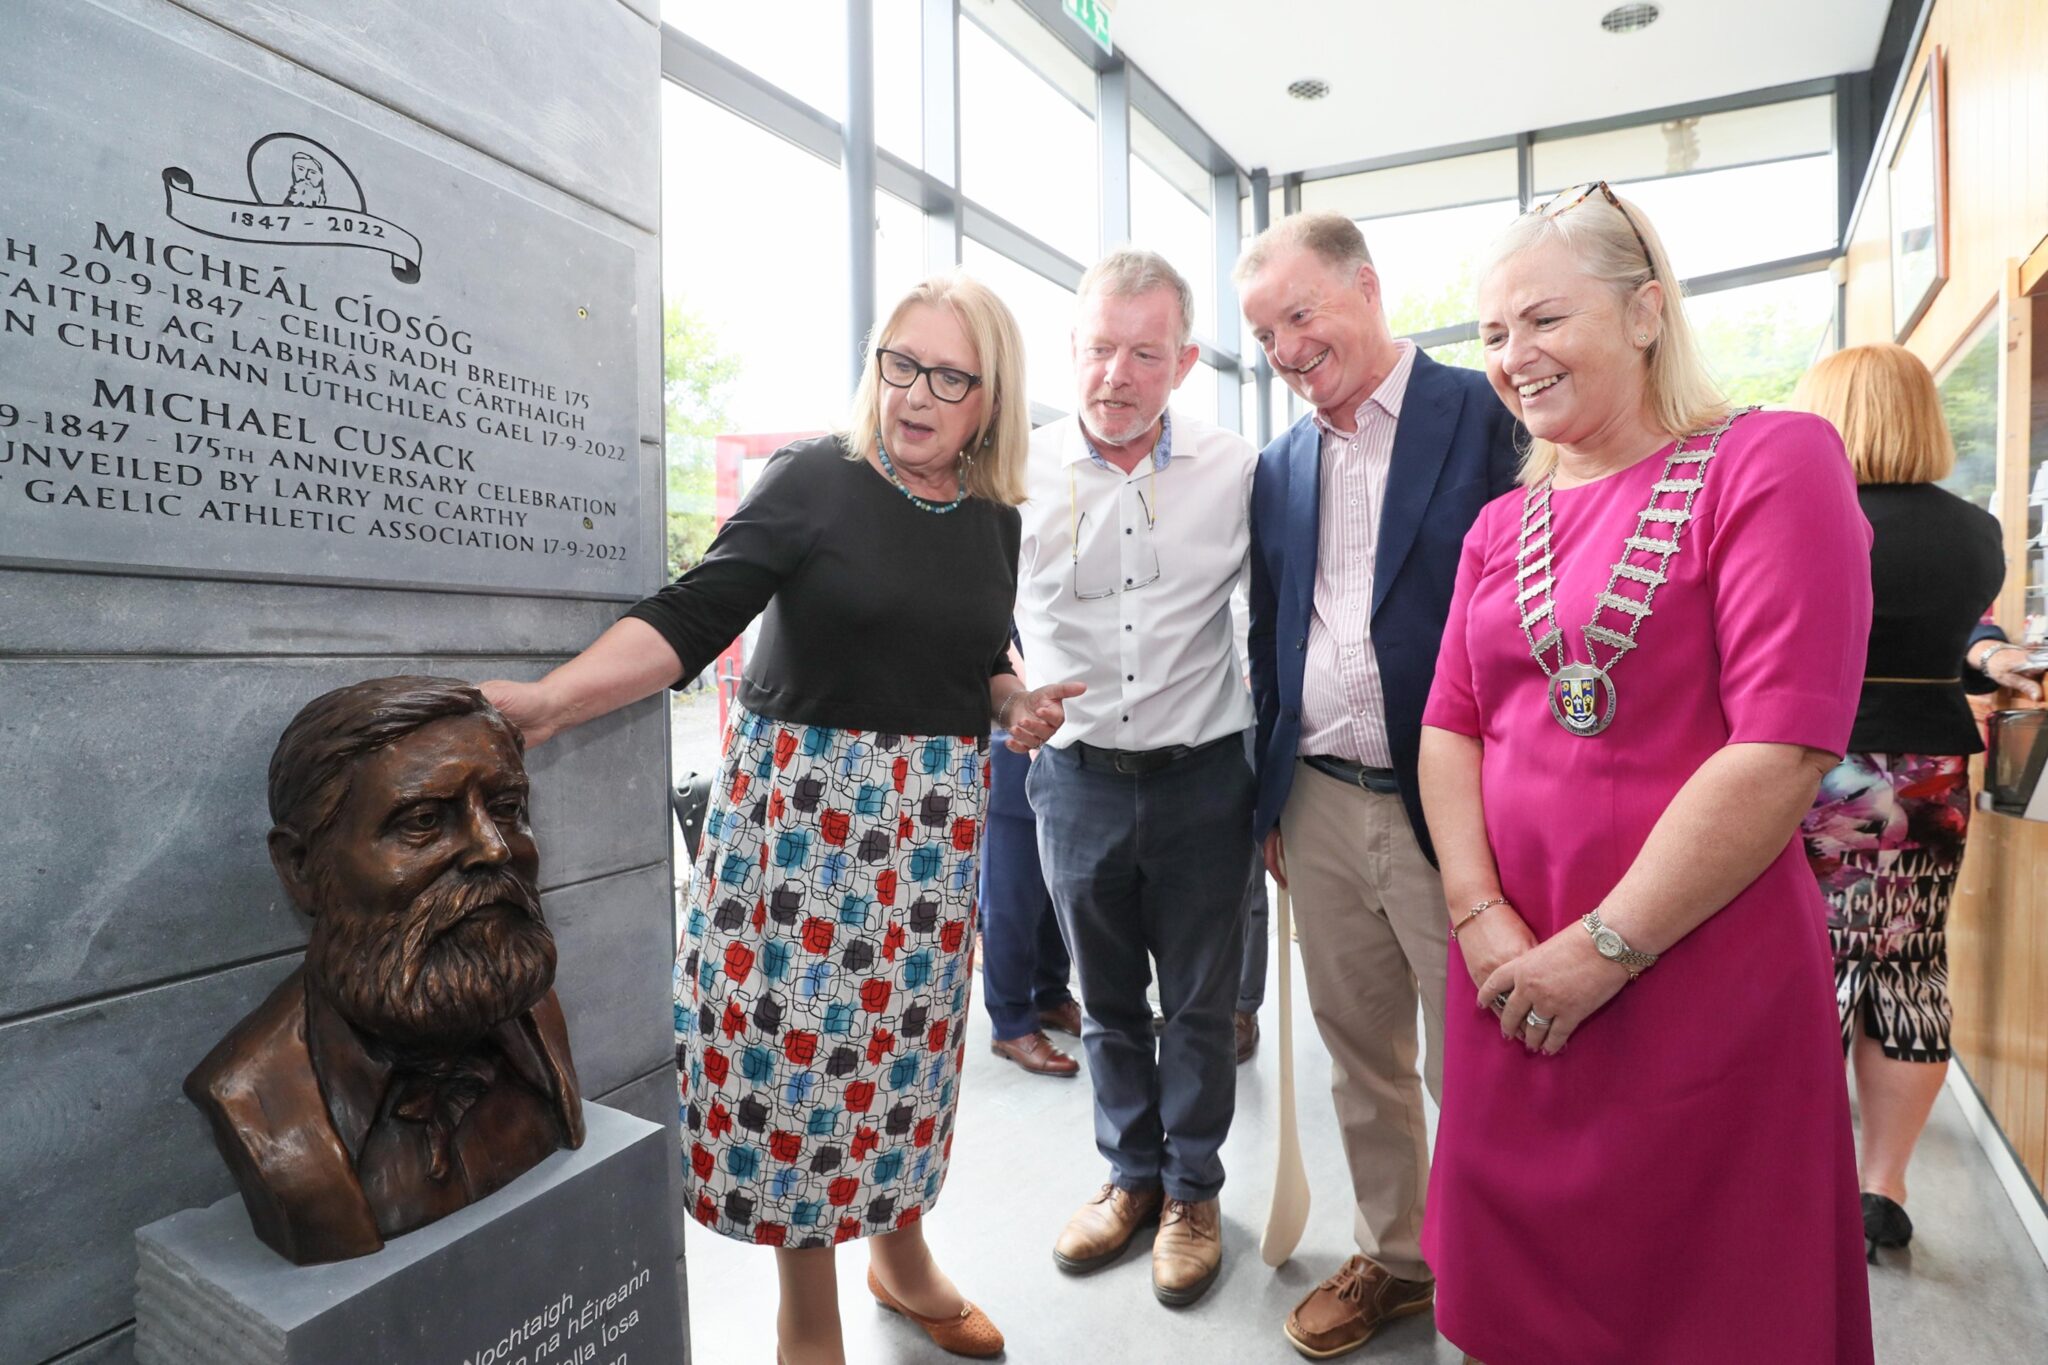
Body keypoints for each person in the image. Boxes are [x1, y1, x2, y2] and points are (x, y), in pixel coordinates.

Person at [484, 273, 1077, 1365]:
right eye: (900, 362)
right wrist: (550, 702)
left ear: (990, 399)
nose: (915, 394)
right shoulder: (815, 478)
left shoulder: (994, 515)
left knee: (906, 1055)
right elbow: (694, 609)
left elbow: (976, 646)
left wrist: (1011, 700)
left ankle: (900, 1262)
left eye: (950, 377)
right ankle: (807, 1318)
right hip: (802, 826)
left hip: (930, 835)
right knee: (791, 1065)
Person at [1418, 181, 1875, 1364]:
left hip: (1695, 968)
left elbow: (1782, 747)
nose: (1513, 357)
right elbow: (1449, 731)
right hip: (1510, 973)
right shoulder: (1494, 526)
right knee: (1515, 1296)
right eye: (1491, 335)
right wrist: (1477, 919)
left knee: (1704, 1297)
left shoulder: (1770, 461)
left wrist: (1604, 946)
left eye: (1542, 319)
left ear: (1644, 311)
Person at [1235, 210, 1519, 1358]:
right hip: (1314, 794)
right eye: (1262, 335)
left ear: (1366, 287)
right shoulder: (1279, 464)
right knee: (1358, 1049)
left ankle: (1502, 1265)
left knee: (1480, 1060)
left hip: (1455, 808)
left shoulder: (1488, 412)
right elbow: (1273, 635)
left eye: (1300, 315)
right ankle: (1397, 1260)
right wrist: (1269, 802)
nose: (1286, 350)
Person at [1012, 247, 1257, 1308]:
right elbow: (979, 623)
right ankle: (1129, 1179)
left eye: (1143, 353)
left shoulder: (1236, 471)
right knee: (1106, 1002)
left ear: (1183, 360)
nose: (1116, 374)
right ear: (1071, 350)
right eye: (1098, 349)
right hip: (1074, 784)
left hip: (1204, 777)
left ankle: (1192, 1191)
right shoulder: (1009, 474)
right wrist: (1002, 691)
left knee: (1200, 1006)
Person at [186, 676, 580, 1266]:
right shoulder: (255, 1100)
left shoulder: (535, 1014)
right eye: (422, 821)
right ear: (300, 868)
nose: (494, 848)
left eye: (505, 809)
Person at [1790, 342, 2041, 1261]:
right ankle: (1883, 1185)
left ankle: (1793, 1178)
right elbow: (1965, 628)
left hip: (1811, 762)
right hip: (1931, 770)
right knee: (1909, 964)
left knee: (1800, 963)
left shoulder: (1808, 515)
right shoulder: (1976, 530)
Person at [981, 632, 1083, 1078]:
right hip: (1013, 744)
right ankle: (1011, 1022)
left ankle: (1051, 996)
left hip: (1070, 746)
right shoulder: (1004, 572)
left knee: (1056, 890)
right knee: (1011, 901)